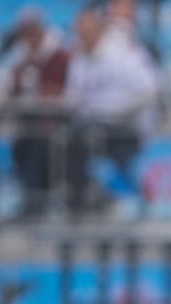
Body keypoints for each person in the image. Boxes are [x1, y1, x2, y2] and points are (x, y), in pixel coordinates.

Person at [62, 5, 160, 218]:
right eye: (78, 31)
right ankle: (79, 202)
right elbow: (73, 96)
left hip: (125, 125)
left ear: (98, 29)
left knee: (78, 140)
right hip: (91, 123)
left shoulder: (123, 53)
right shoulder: (79, 58)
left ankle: (86, 201)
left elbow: (149, 90)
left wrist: (115, 110)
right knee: (61, 139)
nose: (81, 36)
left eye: (85, 30)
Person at [0, 8, 70, 220]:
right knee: (21, 142)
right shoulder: (24, 57)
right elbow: (14, 88)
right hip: (32, 121)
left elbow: (66, 89)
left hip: (59, 121)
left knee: (38, 142)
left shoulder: (61, 54)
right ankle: (31, 199)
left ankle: (36, 202)